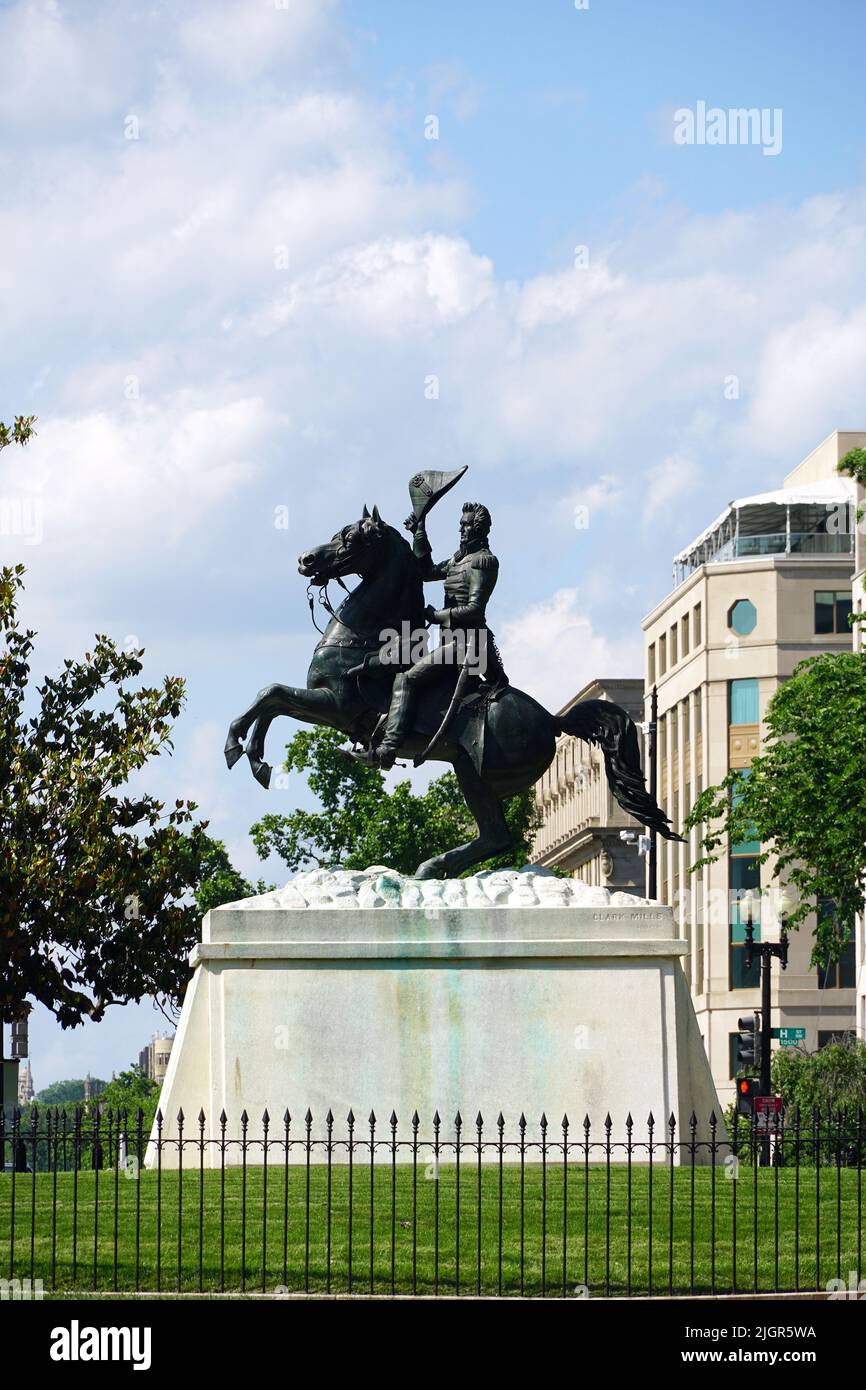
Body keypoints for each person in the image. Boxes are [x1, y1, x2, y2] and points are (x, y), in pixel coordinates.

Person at [351, 500, 508, 769]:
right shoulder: (458, 560)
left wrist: (436, 616)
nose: (461, 530)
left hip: (469, 644)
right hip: (450, 641)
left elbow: (475, 609)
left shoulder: (483, 562)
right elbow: (425, 571)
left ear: (479, 529)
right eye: (460, 525)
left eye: (467, 526)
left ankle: (387, 750)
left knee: (406, 679)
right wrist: (419, 532)